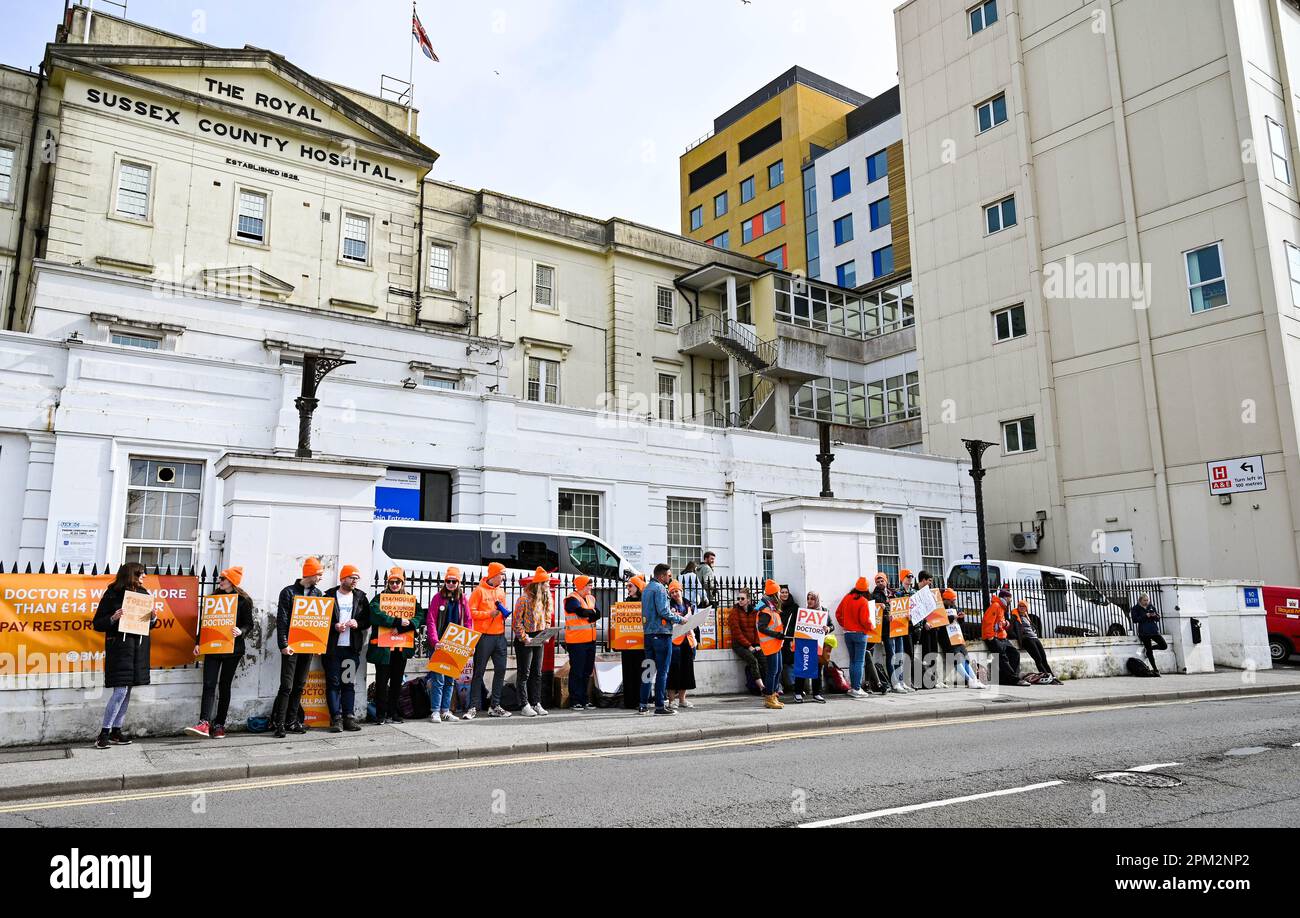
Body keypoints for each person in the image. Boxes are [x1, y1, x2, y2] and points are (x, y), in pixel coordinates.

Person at [92, 562, 159, 749]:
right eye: (141, 574)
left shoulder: (144, 594)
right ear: (132, 575)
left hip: (138, 649)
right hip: (120, 649)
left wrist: (153, 617)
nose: (144, 577)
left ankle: (116, 731)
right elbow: (97, 623)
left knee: (127, 691)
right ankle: (103, 733)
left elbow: (149, 624)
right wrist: (113, 617)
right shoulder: (112, 594)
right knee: (120, 691)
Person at [186, 566, 255, 739]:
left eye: (223, 579)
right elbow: (206, 623)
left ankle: (219, 724)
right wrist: (198, 642)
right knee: (209, 684)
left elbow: (249, 624)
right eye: (220, 579)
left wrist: (241, 631)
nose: (220, 581)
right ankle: (203, 723)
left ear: (232, 581)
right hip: (213, 648)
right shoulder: (214, 598)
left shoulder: (243, 600)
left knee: (224, 686)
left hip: (233, 649)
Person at [272, 557, 325, 738]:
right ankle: (279, 723)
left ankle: (292, 721)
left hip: (308, 646)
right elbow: (282, 620)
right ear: (310, 573)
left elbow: (319, 621)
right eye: (319, 574)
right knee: (286, 685)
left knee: (300, 684)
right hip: (292, 646)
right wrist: (283, 644)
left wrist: (319, 644)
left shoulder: (318, 593)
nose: (320, 578)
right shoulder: (288, 592)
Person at [367, 568, 425, 724]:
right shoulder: (380, 598)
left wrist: (408, 625)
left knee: (397, 682)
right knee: (381, 682)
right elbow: (374, 613)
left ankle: (393, 713)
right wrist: (395, 621)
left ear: (402, 583)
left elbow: (420, 615)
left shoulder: (409, 599)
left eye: (397, 582)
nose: (394, 584)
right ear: (388, 582)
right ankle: (380, 714)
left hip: (401, 648)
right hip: (383, 649)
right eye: (392, 582)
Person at [322, 564, 370, 733]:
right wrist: (334, 626)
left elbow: (367, 620)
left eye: (357, 578)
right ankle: (336, 719)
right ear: (342, 578)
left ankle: (349, 717)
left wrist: (358, 623)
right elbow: (320, 620)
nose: (355, 581)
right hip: (332, 649)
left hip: (351, 649)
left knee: (348, 683)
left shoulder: (360, 597)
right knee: (333, 684)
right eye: (352, 577)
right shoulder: (328, 596)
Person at [467, 562, 512, 719]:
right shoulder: (478, 591)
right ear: (493, 575)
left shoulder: (501, 591)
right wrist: (488, 614)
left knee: (501, 670)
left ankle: (495, 705)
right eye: (501, 574)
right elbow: (470, 612)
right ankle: (473, 706)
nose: (503, 577)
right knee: (479, 671)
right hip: (484, 636)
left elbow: (503, 611)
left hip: (499, 636)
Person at [640, 564, 686, 715]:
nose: (670, 578)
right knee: (662, 671)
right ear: (661, 576)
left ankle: (642, 704)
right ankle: (660, 706)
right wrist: (679, 619)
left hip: (648, 634)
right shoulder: (659, 588)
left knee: (648, 669)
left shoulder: (646, 588)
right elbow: (663, 610)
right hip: (661, 634)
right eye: (668, 575)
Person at [427, 567, 470, 722]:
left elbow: (468, 621)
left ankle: (446, 710)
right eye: (448, 581)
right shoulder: (438, 597)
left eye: (454, 581)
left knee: (451, 680)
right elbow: (431, 620)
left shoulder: (463, 599)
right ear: (445, 582)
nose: (451, 584)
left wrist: (468, 642)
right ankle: (435, 711)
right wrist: (434, 641)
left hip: (456, 644)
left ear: (459, 582)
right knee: (438, 679)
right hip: (440, 644)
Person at [514, 567, 554, 717]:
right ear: (539, 584)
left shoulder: (545, 598)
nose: (549, 585)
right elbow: (517, 623)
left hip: (538, 637)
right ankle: (524, 704)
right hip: (526, 638)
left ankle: (536, 702)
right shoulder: (523, 599)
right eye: (547, 583)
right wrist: (525, 638)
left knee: (537, 673)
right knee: (524, 673)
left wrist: (547, 633)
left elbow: (548, 618)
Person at [835, 577, 875, 698]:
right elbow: (865, 620)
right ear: (866, 589)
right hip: (860, 634)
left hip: (848, 634)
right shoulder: (863, 601)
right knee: (859, 661)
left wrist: (845, 624)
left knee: (852, 661)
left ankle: (853, 688)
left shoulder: (847, 597)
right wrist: (871, 627)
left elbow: (838, 613)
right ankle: (857, 688)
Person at [563, 575, 599, 709]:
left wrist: (588, 614)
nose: (591, 587)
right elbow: (580, 611)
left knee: (587, 671)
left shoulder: (591, 598)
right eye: (589, 585)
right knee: (577, 671)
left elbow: (598, 613)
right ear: (581, 586)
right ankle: (575, 700)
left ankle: (584, 699)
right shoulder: (571, 599)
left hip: (590, 640)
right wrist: (591, 614)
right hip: (576, 641)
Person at [942, 589, 985, 689]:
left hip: (957, 635)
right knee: (956, 660)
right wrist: (954, 617)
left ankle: (974, 679)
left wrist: (961, 618)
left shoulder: (954, 607)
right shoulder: (941, 607)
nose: (953, 602)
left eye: (954, 600)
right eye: (952, 600)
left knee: (965, 659)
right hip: (947, 637)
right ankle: (969, 680)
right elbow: (943, 621)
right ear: (946, 599)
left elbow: (959, 621)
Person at [794, 590, 833, 703]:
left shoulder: (824, 611)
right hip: (805, 644)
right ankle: (798, 692)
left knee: (817, 669)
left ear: (817, 600)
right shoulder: (804, 612)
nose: (810, 601)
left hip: (818, 644)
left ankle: (817, 693)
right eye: (808, 599)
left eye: (812, 599)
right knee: (802, 667)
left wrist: (828, 629)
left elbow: (832, 625)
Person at [667, 579, 698, 709]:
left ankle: (682, 700)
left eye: (676, 591)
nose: (675, 593)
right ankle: (671, 701)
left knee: (686, 670)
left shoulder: (688, 604)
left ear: (681, 590)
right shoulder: (669, 605)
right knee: (673, 671)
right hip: (674, 641)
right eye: (672, 592)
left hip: (688, 640)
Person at [728, 589, 767, 695]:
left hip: (752, 644)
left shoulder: (754, 612)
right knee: (753, 660)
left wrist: (757, 644)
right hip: (739, 644)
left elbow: (756, 630)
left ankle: (769, 686)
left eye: (742, 598)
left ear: (748, 600)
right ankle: (762, 688)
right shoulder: (734, 612)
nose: (740, 600)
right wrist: (749, 646)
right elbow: (737, 633)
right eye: (738, 598)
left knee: (764, 660)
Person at [981, 592, 1024, 686]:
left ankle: (1006, 678)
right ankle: (1014, 679)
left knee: (1015, 653)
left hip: (1002, 637)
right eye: (1010, 598)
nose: (1011, 600)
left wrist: (1006, 624)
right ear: (1005, 597)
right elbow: (987, 622)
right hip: (993, 637)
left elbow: (999, 622)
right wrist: (990, 637)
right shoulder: (996, 606)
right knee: (1002, 657)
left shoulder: (1001, 607)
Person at [756, 579, 786, 710]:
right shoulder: (766, 610)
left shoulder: (772, 608)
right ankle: (769, 697)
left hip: (776, 644)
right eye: (779, 592)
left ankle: (773, 695)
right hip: (770, 644)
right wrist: (776, 635)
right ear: (774, 593)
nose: (780, 594)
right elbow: (761, 628)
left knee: (778, 670)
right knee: (772, 671)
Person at [910, 571, 943, 689]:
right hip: (922, 629)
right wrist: (924, 623)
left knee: (933, 652)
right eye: (929, 581)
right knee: (926, 654)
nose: (930, 583)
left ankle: (934, 678)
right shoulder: (915, 593)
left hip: (933, 627)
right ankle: (927, 680)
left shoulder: (931, 592)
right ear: (923, 580)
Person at [620, 574, 647, 711]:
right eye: (627, 586)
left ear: (638, 587)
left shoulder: (645, 603)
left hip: (641, 644)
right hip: (627, 644)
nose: (628, 588)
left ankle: (640, 700)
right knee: (628, 672)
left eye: (630, 586)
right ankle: (629, 701)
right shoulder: (626, 602)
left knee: (640, 671)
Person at [867, 572, 895, 694]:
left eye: (882, 581)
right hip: (878, 630)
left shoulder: (891, 594)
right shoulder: (873, 596)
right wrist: (885, 616)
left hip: (890, 629)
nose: (880, 583)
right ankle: (869, 682)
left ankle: (893, 681)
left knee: (891, 655)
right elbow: (873, 612)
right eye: (878, 582)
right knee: (869, 655)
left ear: (886, 581)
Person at [1011, 600, 1053, 676]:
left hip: (1034, 638)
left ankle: (1052, 676)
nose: (1021, 608)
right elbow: (1011, 630)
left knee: (1044, 659)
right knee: (1038, 659)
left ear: (1026, 608)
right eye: (1020, 606)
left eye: (1023, 606)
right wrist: (1020, 636)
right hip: (1027, 639)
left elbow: (1032, 627)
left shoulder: (1026, 616)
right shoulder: (1015, 616)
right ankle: (1046, 676)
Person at [1130, 594, 1166, 676]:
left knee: (1164, 646)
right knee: (1149, 652)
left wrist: (1155, 616)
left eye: (1147, 600)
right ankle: (1155, 669)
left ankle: (1150, 648)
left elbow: (1157, 619)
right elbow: (1135, 620)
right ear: (1140, 600)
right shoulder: (1135, 608)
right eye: (1144, 600)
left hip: (1153, 631)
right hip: (1144, 632)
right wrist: (1145, 616)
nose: (1146, 602)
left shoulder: (1151, 606)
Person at [778, 584, 801, 696]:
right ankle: (779, 686)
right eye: (782, 592)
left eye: (786, 592)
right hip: (777, 637)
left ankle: (792, 684)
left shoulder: (794, 606)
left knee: (790, 662)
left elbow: (797, 622)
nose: (784, 594)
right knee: (779, 663)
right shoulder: (776, 606)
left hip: (790, 637)